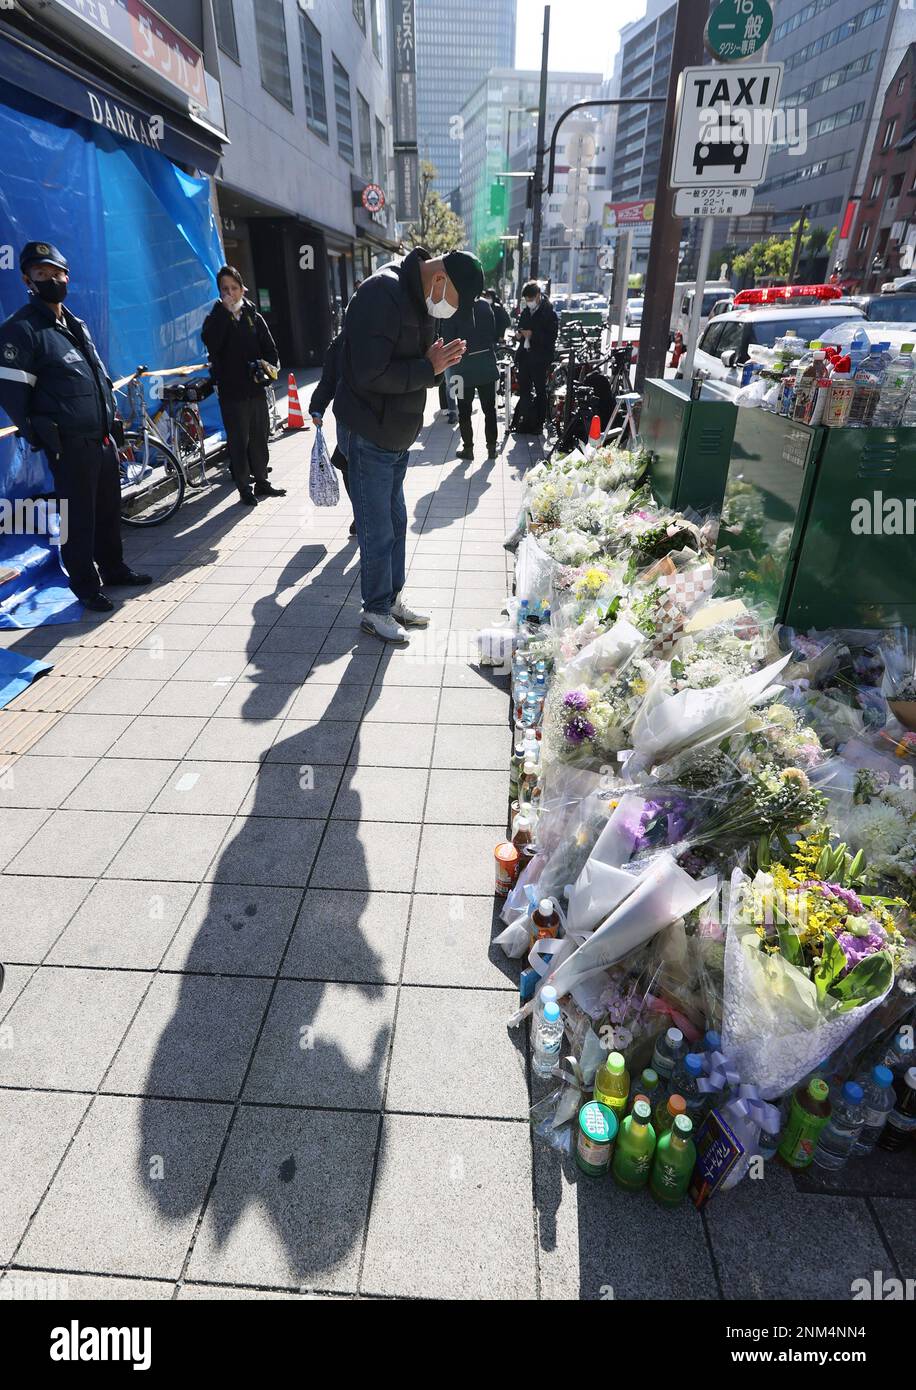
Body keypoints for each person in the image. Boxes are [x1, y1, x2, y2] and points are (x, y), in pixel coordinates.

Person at [334, 246, 482, 642]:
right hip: (369, 431)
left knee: (396, 521)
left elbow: (413, 367)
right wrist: (428, 367)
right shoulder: (382, 292)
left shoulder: (419, 300)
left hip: (395, 433)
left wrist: (432, 367)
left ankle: (391, 599)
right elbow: (369, 372)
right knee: (377, 527)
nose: (450, 311)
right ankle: (375, 609)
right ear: (439, 279)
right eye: (455, 301)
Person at [0, 241, 151, 612]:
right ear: (27, 279)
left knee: (107, 510)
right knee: (78, 517)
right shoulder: (22, 329)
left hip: (101, 439)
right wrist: (44, 436)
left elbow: (96, 378)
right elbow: (12, 394)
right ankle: (85, 585)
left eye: (57, 273)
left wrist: (111, 420)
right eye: (41, 274)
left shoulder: (75, 323)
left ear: (66, 276)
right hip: (69, 445)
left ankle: (113, 568)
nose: (51, 279)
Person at [201, 265, 285, 506]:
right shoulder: (215, 317)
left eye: (234, 288)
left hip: (256, 389)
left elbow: (270, 349)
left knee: (259, 436)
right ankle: (244, 488)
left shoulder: (252, 315)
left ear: (242, 288)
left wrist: (267, 369)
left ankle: (262, 481)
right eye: (225, 289)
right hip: (232, 392)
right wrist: (225, 315)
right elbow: (212, 344)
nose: (230, 294)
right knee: (239, 441)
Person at [308, 329, 356, 536]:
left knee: (368, 470)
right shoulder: (338, 345)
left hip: (375, 422)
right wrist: (317, 408)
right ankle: (361, 513)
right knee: (347, 464)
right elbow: (328, 382)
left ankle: (369, 514)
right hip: (347, 419)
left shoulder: (379, 338)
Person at [452, 292, 500, 461]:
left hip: (462, 368)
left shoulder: (454, 308)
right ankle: (492, 448)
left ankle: (468, 449)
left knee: (464, 411)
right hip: (486, 364)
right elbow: (495, 331)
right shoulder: (485, 306)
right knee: (490, 409)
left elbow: (449, 337)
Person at [515, 279, 558, 432]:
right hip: (525, 356)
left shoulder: (549, 313)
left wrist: (533, 335)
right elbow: (520, 328)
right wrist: (519, 334)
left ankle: (538, 424)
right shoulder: (526, 311)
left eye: (531, 299)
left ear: (538, 296)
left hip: (540, 359)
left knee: (540, 391)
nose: (529, 302)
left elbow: (551, 338)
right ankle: (524, 421)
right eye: (527, 300)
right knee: (524, 390)